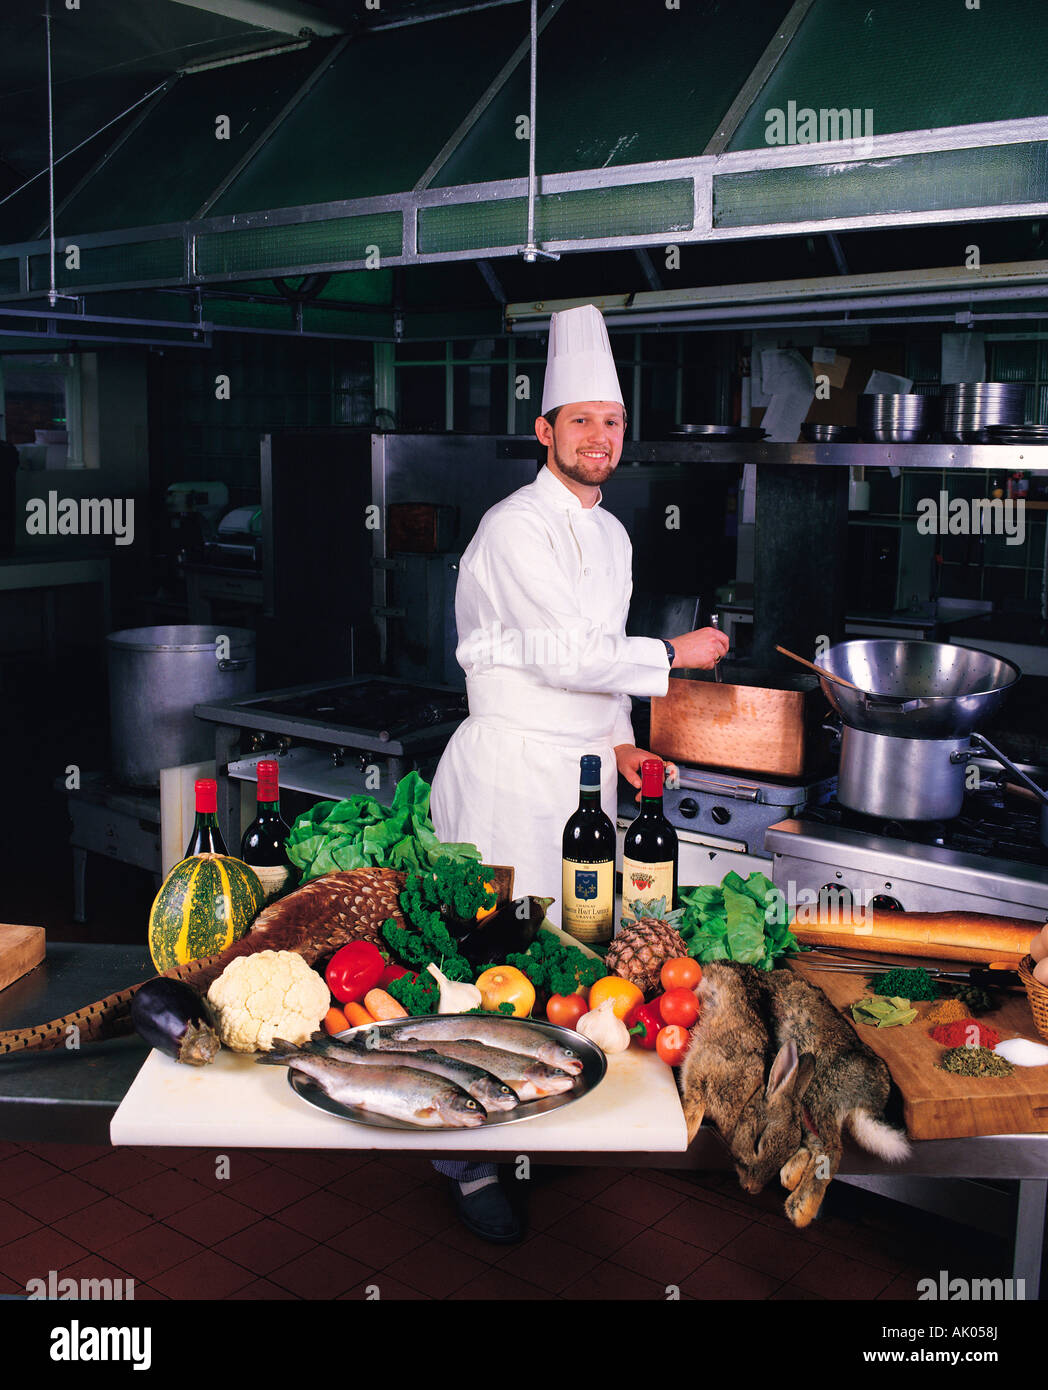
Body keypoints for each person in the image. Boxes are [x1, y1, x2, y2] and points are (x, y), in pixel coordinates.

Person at [428, 304, 728, 1242]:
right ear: (545, 431)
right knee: (489, 964)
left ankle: (540, 1121)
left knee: (570, 959)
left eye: (615, 422)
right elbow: (560, 652)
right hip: (512, 772)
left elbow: (595, 667)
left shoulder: (613, 535)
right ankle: (465, 1157)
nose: (602, 438)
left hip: (582, 776)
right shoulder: (514, 527)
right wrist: (675, 654)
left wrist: (625, 740)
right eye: (583, 421)